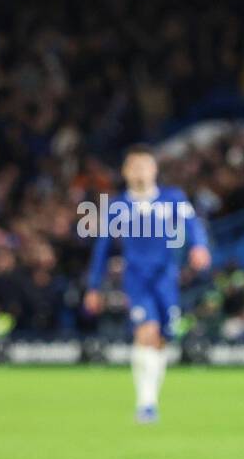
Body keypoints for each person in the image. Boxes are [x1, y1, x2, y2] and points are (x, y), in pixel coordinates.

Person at [83, 145, 210, 422]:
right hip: (136, 279)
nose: (140, 171)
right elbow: (102, 248)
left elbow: (193, 225)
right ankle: (146, 404)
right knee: (147, 331)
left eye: (145, 165)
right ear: (126, 172)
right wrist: (93, 286)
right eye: (134, 166)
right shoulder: (118, 206)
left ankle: (150, 397)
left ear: (154, 169)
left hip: (166, 279)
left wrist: (199, 247)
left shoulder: (173, 198)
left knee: (162, 339)